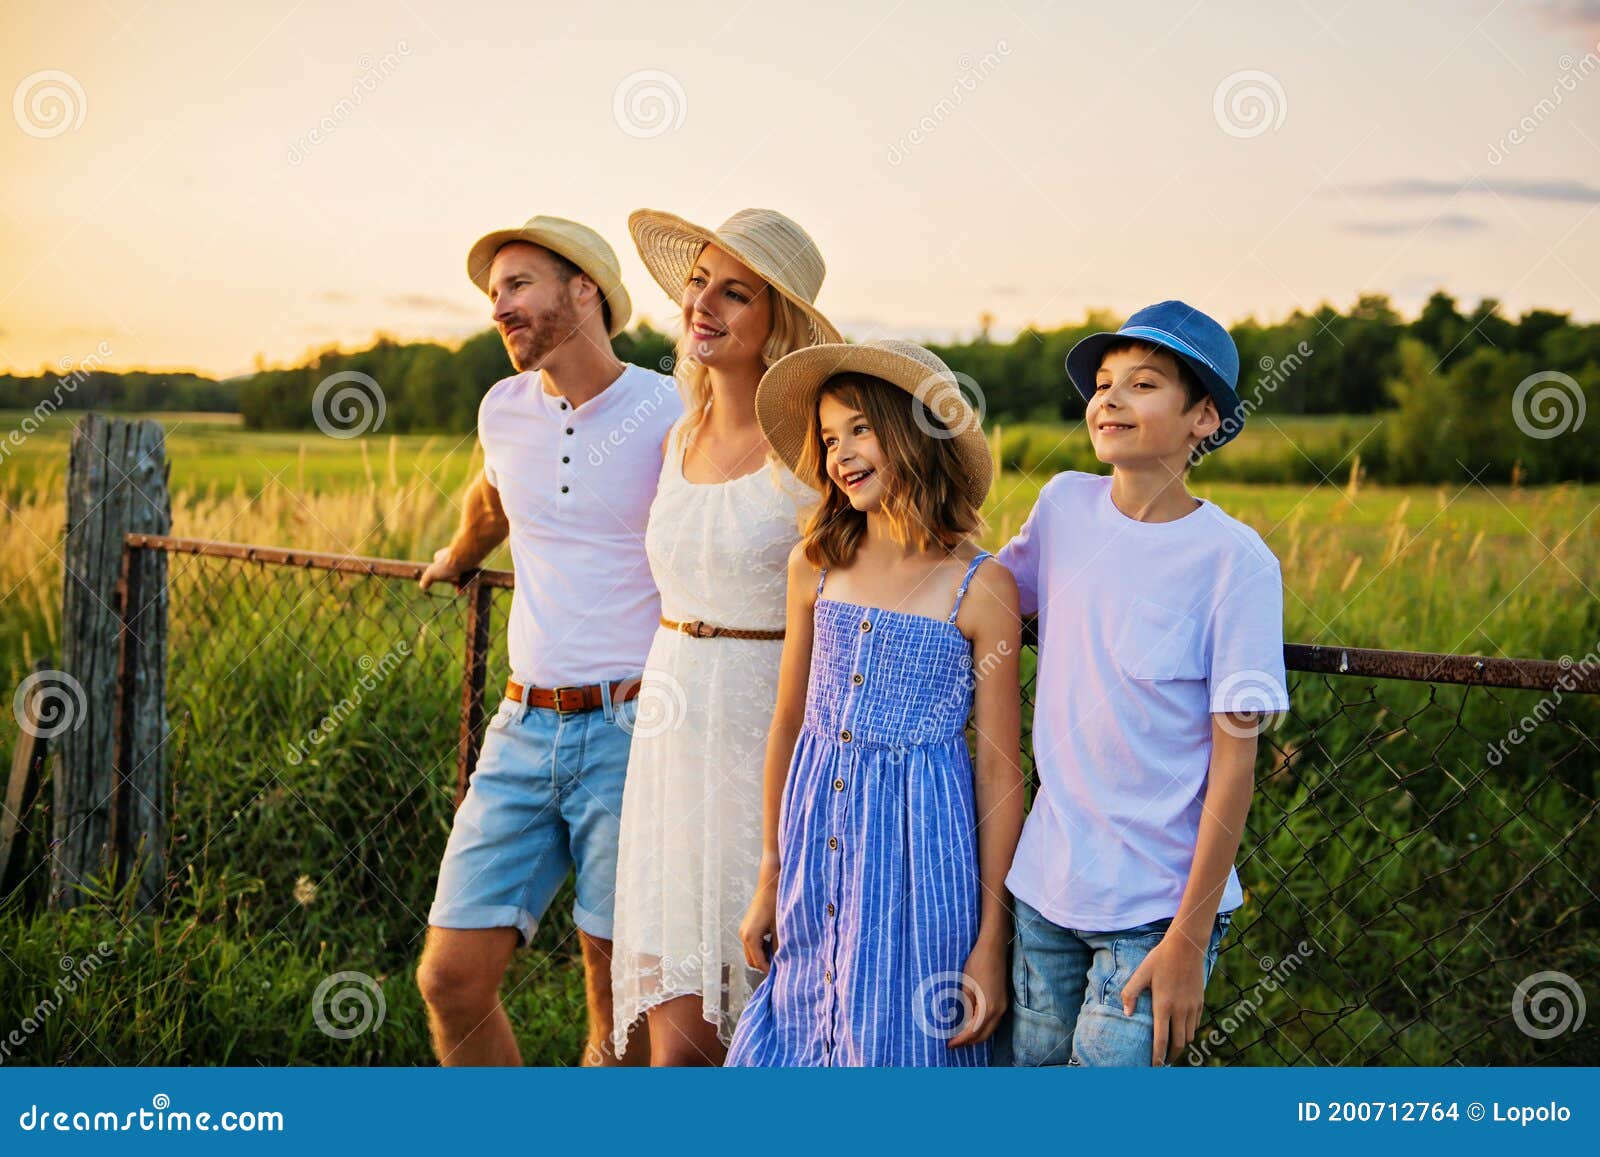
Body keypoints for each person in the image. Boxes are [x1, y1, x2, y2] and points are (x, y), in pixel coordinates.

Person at [414, 215, 682, 1066]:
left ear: (584, 290)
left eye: (518, 285)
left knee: (618, 1010)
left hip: (636, 728)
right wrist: (460, 557)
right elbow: (493, 500)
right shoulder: (503, 407)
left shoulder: (669, 408)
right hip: (522, 727)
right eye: (494, 294)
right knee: (449, 978)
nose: (501, 307)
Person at [994, 300, 1290, 1067]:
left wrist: (1190, 936)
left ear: (1204, 419)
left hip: (1158, 908)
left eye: (1144, 383)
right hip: (1045, 887)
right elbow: (985, 595)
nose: (1111, 398)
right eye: (1103, 382)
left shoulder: (1235, 561)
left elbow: (1236, 763)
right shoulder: (1063, 506)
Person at [725, 340, 1023, 1066]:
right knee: (801, 1029)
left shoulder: (980, 587)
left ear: (914, 433)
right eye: (829, 438)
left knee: (900, 1043)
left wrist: (992, 936)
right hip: (814, 855)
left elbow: (998, 772)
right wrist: (770, 873)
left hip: (925, 872)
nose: (840, 452)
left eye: (860, 428)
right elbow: (790, 724)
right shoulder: (817, 566)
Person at [609, 208, 842, 1065]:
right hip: (669, 732)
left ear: (777, 322)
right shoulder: (677, 434)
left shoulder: (816, 452)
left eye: (732, 292)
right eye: (698, 282)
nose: (701, 304)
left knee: (721, 1027)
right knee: (653, 1007)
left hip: (762, 731)